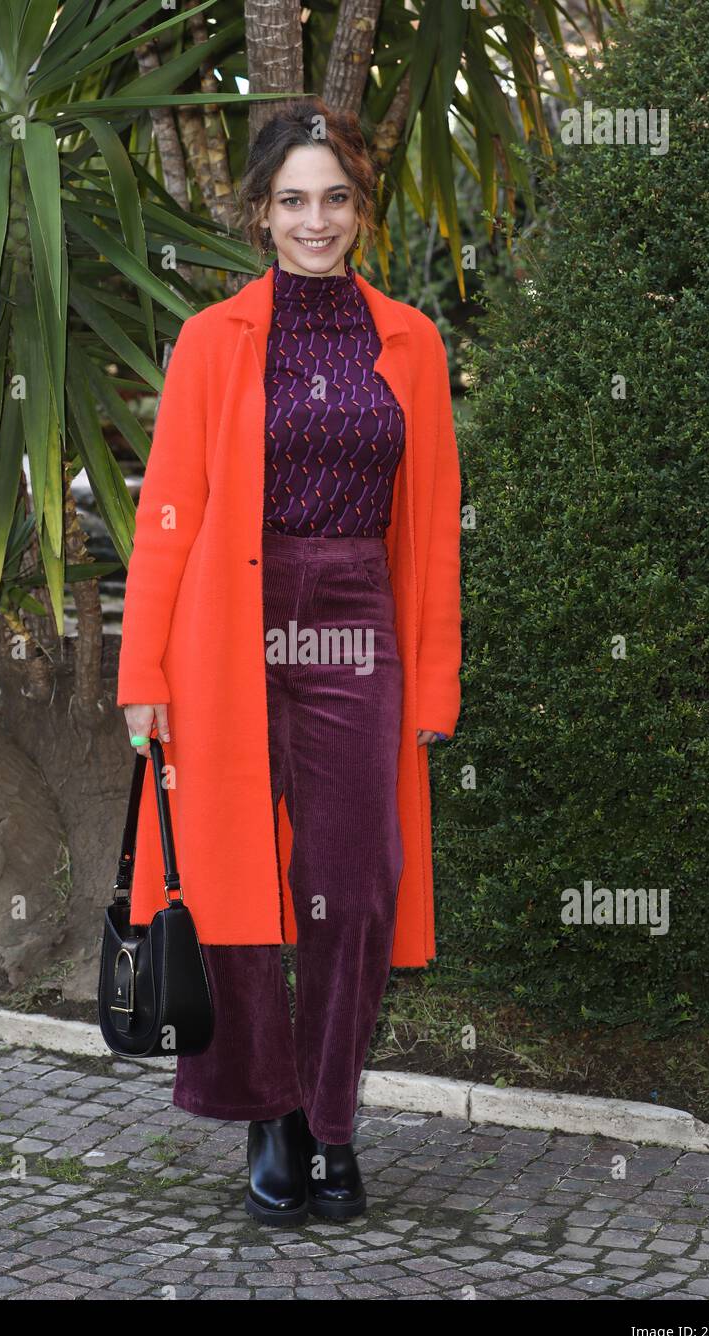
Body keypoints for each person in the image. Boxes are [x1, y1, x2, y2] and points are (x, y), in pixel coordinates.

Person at [118, 97, 462, 1226]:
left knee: (356, 880)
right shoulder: (214, 340)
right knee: (236, 878)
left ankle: (329, 1117)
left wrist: (435, 677)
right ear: (261, 212)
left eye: (337, 199)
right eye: (294, 200)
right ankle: (269, 1112)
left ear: (360, 209)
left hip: (355, 610)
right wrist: (144, 675)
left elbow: (435, 519)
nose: (317, 220)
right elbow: (169, 509)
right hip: (229, 617)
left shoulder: (407, 340)